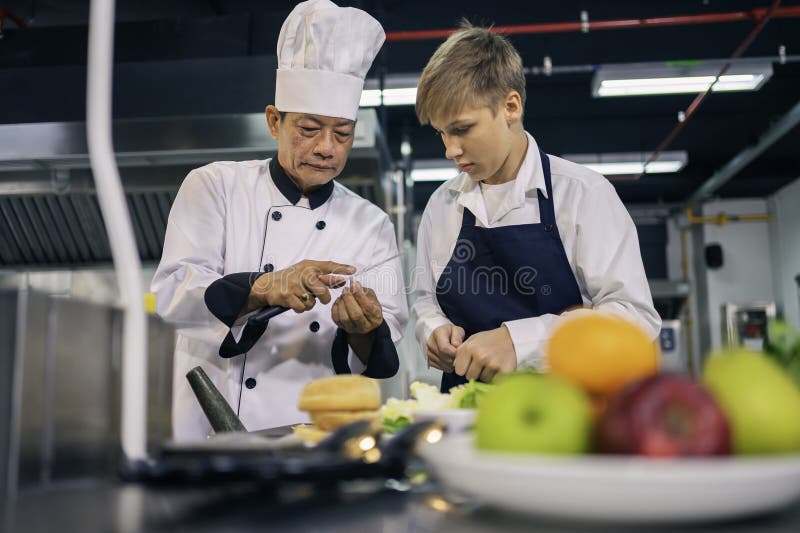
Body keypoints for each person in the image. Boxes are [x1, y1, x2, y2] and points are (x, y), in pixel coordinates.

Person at [152, 0, 408, 440]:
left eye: (342, 133)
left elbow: (382, 353)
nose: (327, 147)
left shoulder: (372, 224)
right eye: (309, 129)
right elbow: (173, 295)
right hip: (209, 427)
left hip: (311, 435)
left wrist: (364, 329)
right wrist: (265, 287)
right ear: (275, 121)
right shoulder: (215, 186)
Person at [412, 22, 661, 392]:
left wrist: (519, 341)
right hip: (465, 415)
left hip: (569, 410)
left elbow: (636, 320)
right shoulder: (442, 205)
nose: (450, 150)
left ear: (510, 107)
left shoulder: (583, 195)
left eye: (462, 129)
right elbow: (423, 298)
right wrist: (432, 329)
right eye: (441, 133)